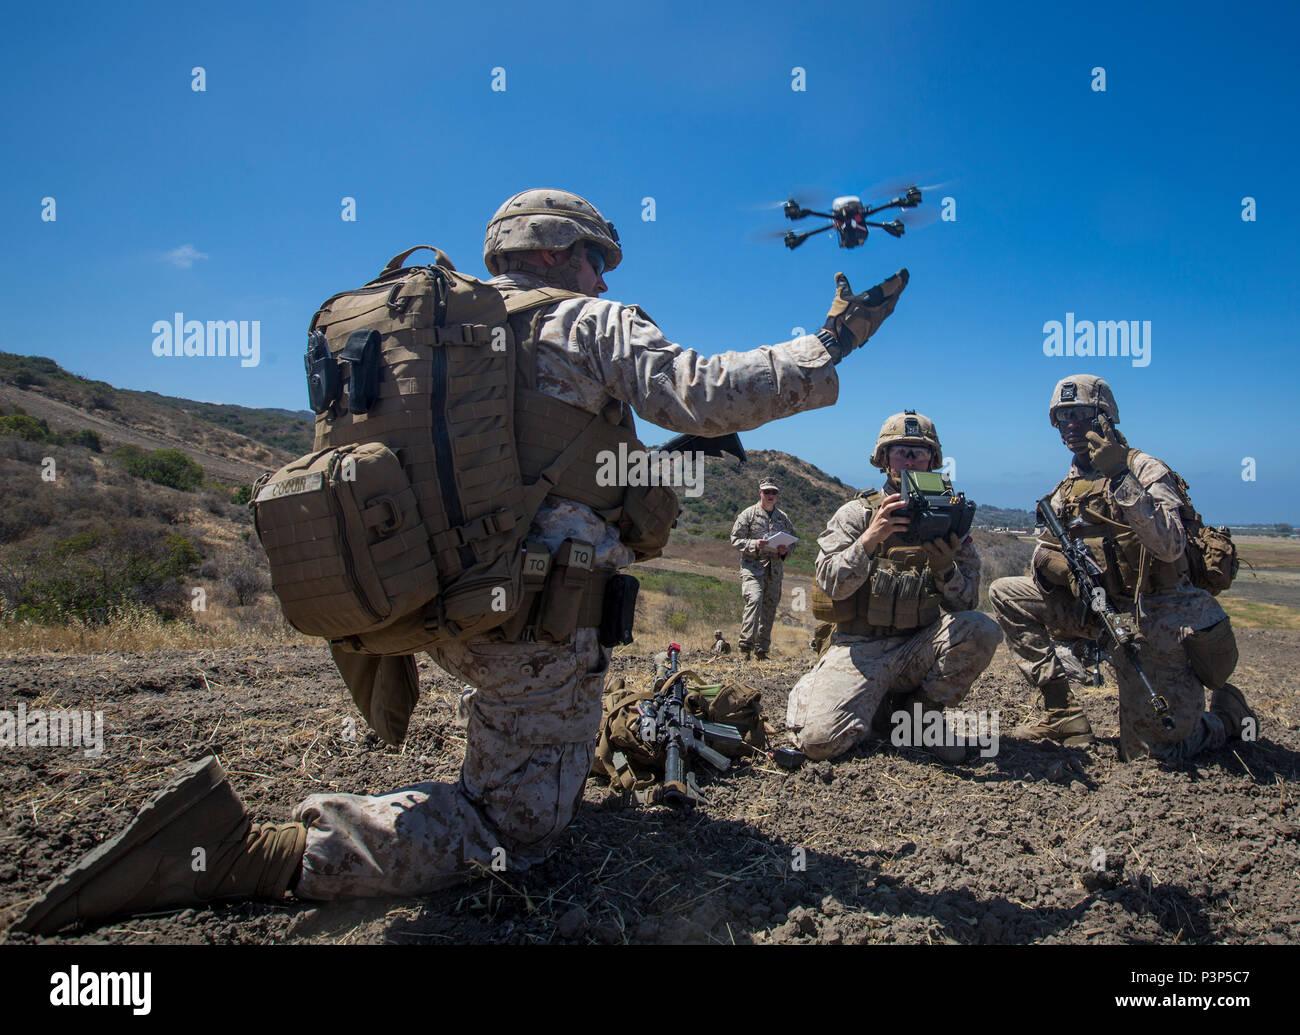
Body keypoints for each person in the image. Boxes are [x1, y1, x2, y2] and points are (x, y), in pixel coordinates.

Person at [17, 188, 910, 934]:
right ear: (559, 254)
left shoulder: (431, 339)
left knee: (531, 737)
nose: (606, 275)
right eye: (599, 257)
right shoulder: (586, 321)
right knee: (517, 832)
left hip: (432, 602)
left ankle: (519, 756)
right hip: (532, 625)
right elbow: (711, 391)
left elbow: (521, 458)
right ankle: (260, 849)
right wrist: (831, 342)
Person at [987, 375, 1255, 761]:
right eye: (1063, 419)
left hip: (1155, 614)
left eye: (1080, 415)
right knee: (1006, 593)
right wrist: (1060, 570)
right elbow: (1043, 556)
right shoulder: (1068, 486)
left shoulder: (1144, 469)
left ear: (1105, 417)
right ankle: (1062, 714)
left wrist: (1120, 479)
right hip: (1099, 608)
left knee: (1154, 754)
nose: (1072, 426)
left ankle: (1225, 721)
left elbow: (1170, 545)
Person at [785, 411, 1001, 763]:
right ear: (884, 458)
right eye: (901, 450)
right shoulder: (855, 514)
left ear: (934, 460)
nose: (912, 459)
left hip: (917, 647)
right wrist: (870, 539)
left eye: (920, 451)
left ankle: (918, 716)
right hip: (859, 648)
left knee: (982, 629)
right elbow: (829, 582)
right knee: (819, 743)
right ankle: (846, 699)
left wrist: (946, 568)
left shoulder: (950, 517)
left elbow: (966, 604)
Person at [730, 479, 797, 659]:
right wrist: (754, 544)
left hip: (774, 570)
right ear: (760, 492)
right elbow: (735, 539)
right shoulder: (748, 514)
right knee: (755, 599)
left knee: (770, 607)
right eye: (767, 492)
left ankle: (762, 650)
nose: (770, 496)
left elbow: (792, 543)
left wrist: (785, 551)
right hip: (753, 568)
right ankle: (745, 647)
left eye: (773, 492)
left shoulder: (783, 518)